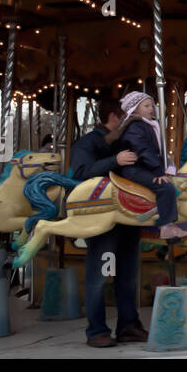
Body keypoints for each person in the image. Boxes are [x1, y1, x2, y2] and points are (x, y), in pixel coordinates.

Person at [68, 97, 148, 348]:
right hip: (103, 221)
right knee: (101, 274)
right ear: (113, 117)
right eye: (124, 117)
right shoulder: (88, 143)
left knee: (126, 274)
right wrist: (115, 161)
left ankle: (128, 325)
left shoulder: (126, 141)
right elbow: (80, 172)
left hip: (127, 218)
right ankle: (97, 330)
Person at [117, 91, 186, 239]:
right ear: (134, 109)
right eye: (146, 106)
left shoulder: (147, 125)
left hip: (144, 167)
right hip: (135, 169)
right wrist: (158, 171)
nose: (151, 109)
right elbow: (143, 150)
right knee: (165, 187)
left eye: (152, 106)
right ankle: (165, 226)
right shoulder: (135, 126)